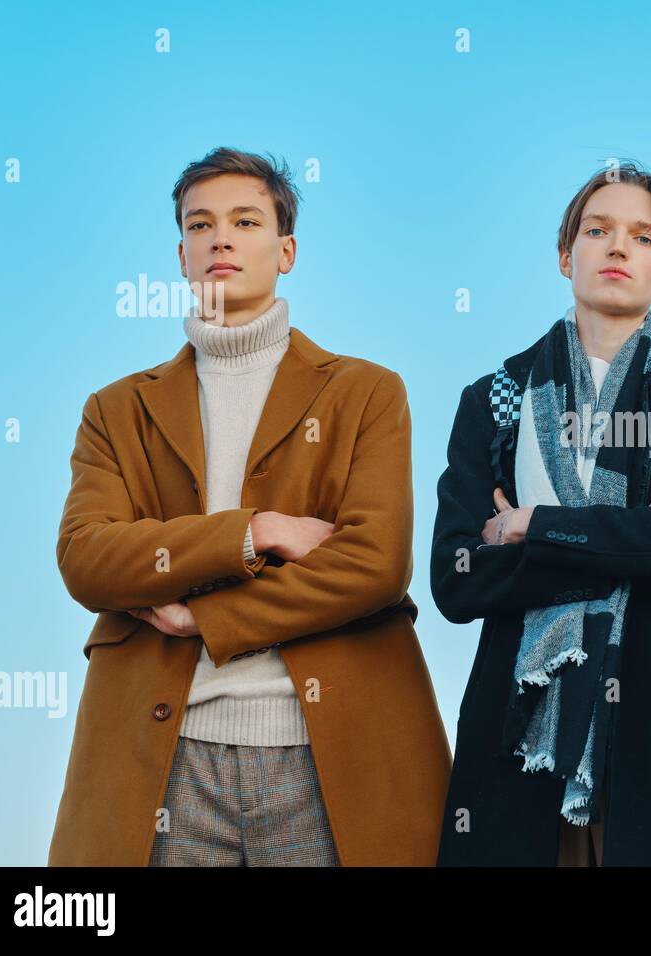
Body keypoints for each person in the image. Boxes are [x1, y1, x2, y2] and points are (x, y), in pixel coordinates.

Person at [48, 147, 450, 866]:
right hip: (165, 760)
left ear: (285, 250)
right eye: (200, 225)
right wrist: (255, 532)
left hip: (324, 757)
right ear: (180, 255)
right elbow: (88, 557)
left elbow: (374, 564)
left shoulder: (366, 393)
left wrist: (203, 614)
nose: (221, 239)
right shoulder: (116, 410)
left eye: (245, 220)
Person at [431, 161, 651, 865]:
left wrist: (531, 527)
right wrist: (647, 524)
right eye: (597, 230)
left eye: (642, 238)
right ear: (565, 254)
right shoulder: (494, 399)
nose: (618, 248)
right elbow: (457, 580)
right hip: (515, 729)